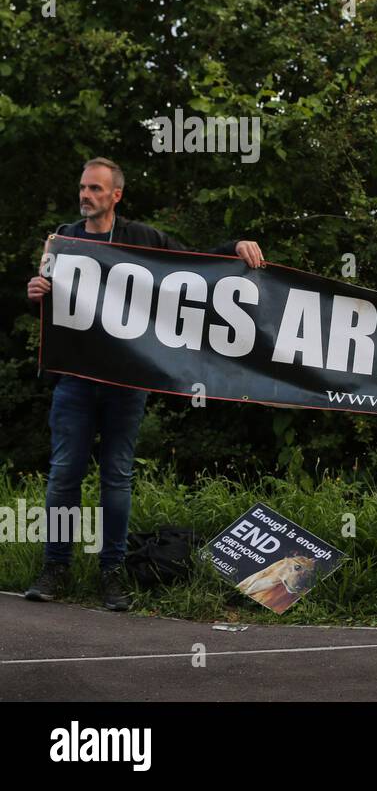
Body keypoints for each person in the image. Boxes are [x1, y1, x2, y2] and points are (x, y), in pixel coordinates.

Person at [24, 157, 266, 610]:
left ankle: (111, 573)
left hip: (126, 381)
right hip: (75, 380)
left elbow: (192, 266)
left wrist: (234, 246)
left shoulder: (141, 238)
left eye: (96, 189)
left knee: (116, 479)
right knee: (63, 479)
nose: (85, 196)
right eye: (82, 188)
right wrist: (37, 289)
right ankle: (54, 568)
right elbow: (48, 295)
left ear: (116, 195)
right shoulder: (64, 236)